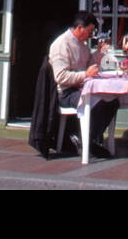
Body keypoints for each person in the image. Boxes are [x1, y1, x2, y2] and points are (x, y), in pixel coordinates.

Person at [49, 10, 116, 158]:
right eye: (90, 31)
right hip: (67, 92)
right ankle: (86, 141)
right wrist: (85, 75)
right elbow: (60, 76)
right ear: (80, 27)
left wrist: (98, 53)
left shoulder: (82, 44)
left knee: (112, 100)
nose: (91, 35)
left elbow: (87, 63)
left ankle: (88, 139)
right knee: (98, 103)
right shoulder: (61, 45)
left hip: (81, 88)